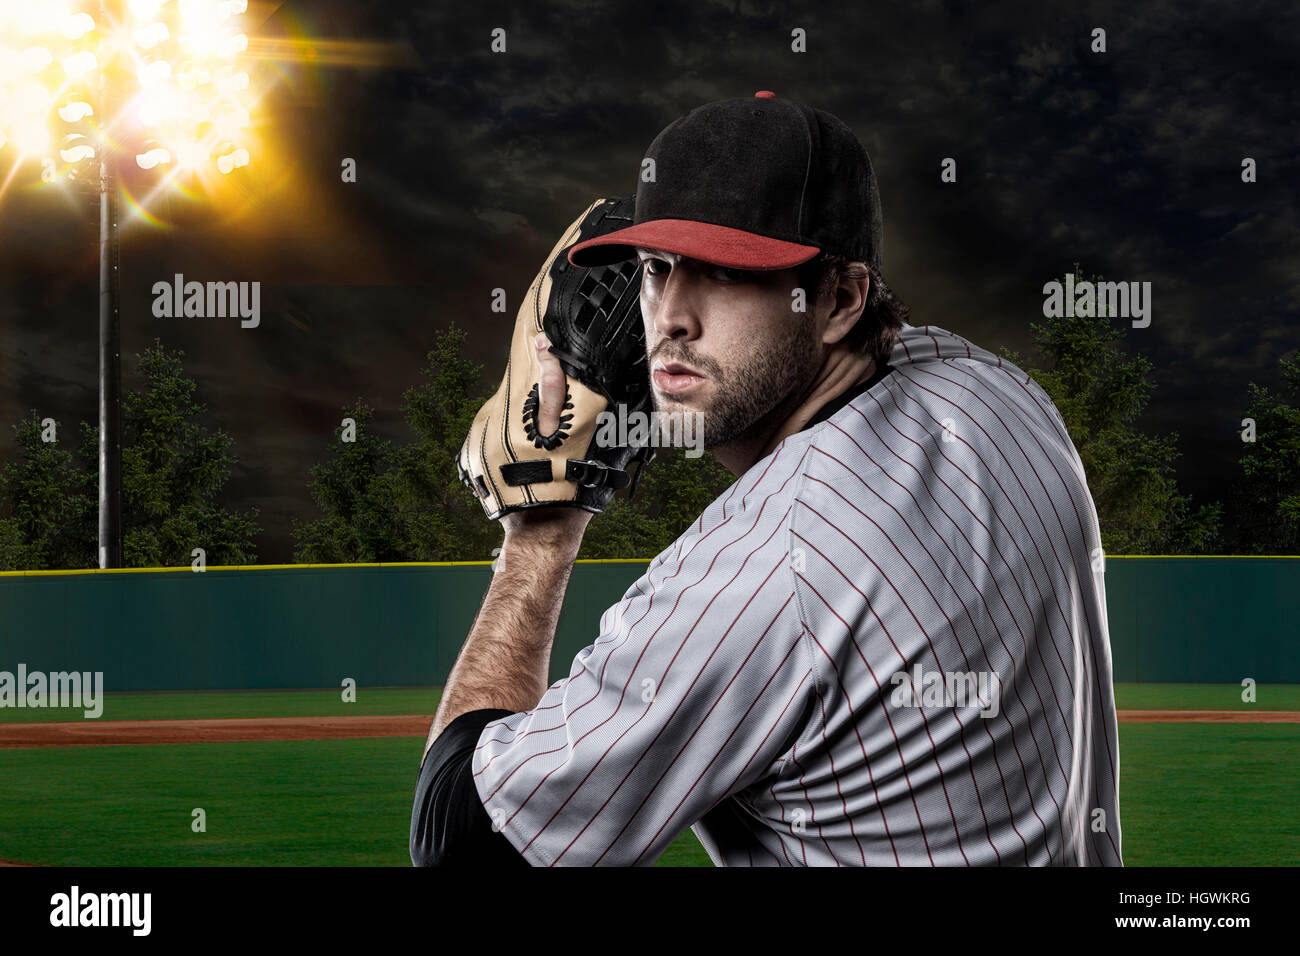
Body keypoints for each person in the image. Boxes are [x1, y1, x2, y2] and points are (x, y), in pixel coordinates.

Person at [411, 91, 1122, 866]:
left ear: (841, 298)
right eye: (656, 268)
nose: (670, 319)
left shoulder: (771, 566)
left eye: (724, 271)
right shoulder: (999, 392)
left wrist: (541, 536)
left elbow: (460, 845)